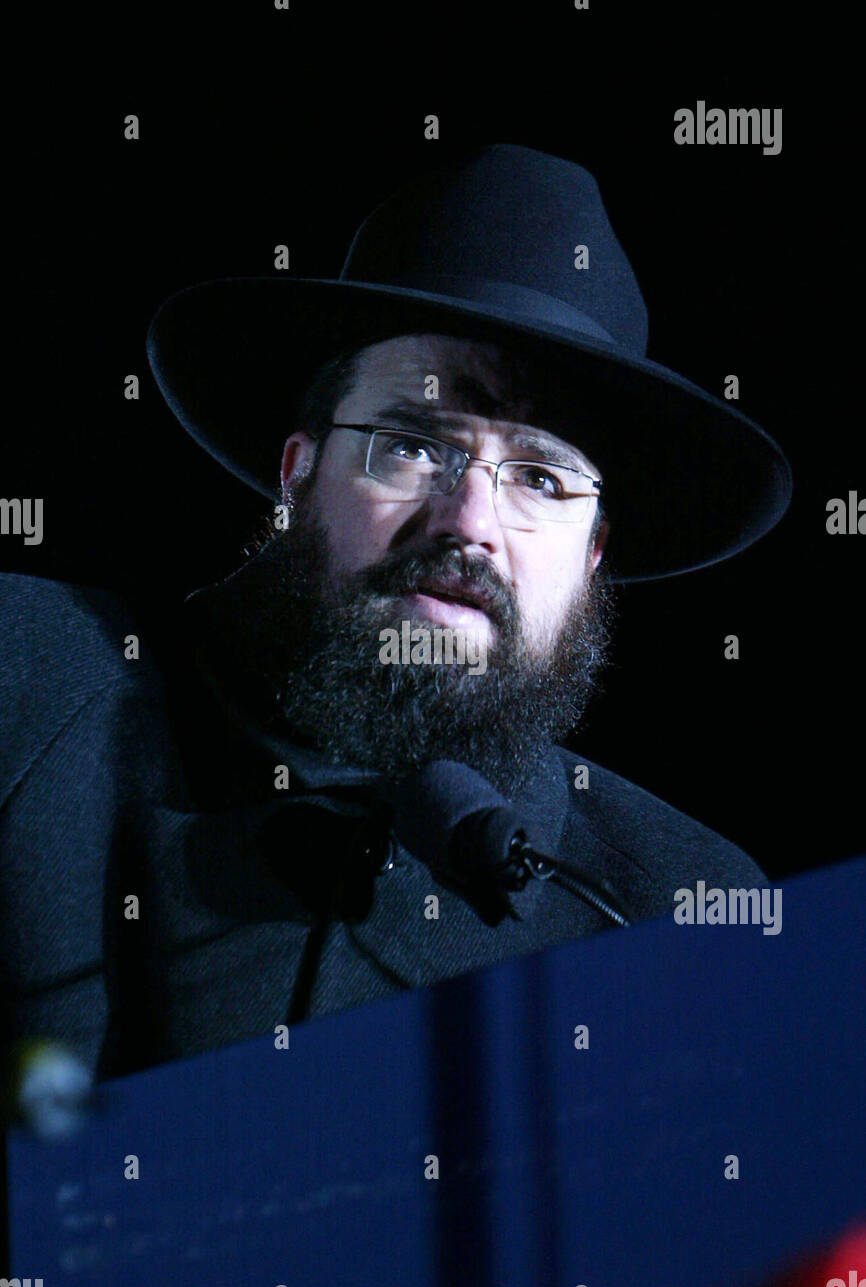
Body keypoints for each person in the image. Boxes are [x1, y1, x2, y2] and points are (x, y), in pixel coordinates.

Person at [0, 145, 791, 1082]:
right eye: (413, 445)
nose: (470, 525)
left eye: (539, 479)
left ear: (593, 555)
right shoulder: (26, 681)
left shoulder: (671, 907)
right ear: (297, 473)